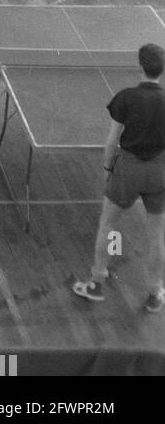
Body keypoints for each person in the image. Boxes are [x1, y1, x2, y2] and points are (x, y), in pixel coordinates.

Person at [71, 42, 165, 311]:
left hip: (129, 169)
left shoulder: (125, 97)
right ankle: (155, 292)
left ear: (139, 66)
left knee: (107, 224)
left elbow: (112, 142)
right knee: (156, 235)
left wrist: (107, 168)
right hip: (159, 170)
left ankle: (97, 282)